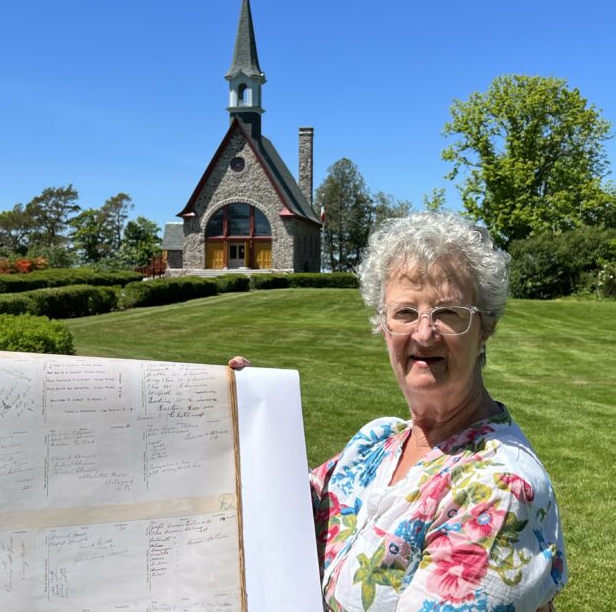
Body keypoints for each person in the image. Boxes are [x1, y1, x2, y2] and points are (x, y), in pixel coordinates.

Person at [230, 211, 567, 611]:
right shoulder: (377, 442)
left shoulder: (497, 488)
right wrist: (247, 413)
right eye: (405, 313)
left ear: (486, 328)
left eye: (448, 313)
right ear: (384, 325)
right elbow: (281, 506)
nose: (423, 333)